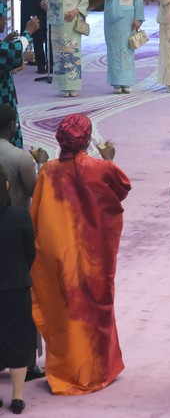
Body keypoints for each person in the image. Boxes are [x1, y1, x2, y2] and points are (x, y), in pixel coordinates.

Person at [30, 113, 131, 395]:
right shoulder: (99, 168)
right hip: (93, 253)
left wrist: (40, 164)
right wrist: (110, 158)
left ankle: (64, 370)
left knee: (64, 310)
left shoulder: (49, 171)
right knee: (95, 308)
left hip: (58, 252)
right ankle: (97, 369)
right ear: (87, 139)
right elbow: (121, 189)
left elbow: (36, 213)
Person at [0, 164, 36, 415]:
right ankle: (17, 397)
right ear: (7, 185)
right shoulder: (20, 216)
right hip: (15, 287)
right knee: (18, 342)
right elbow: (29, 252)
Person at [98, 0, 144, 94]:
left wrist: (138, 18)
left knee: (127, 48)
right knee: (114, 49)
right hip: (113, 17)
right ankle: (116, 82)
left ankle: (127, 81)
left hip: (128, 16)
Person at [47, 0, 88, 98]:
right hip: (60, 24)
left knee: (74, 53)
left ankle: (74, 84)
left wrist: (76, 11)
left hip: (73, 22)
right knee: (61, 55)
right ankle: (64, 86)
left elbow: (84, 0)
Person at [1, 5, 39, 149]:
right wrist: (27, 33)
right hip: (2, 97)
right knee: (6, 131)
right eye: (3, 18)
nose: (6, 22)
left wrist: (5, 41)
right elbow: (13, 54)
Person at [0, 105, 47, 209]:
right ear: (11, 126)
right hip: (14, 220)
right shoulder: (20, 157)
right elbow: (36, 192)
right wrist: (41, 163)